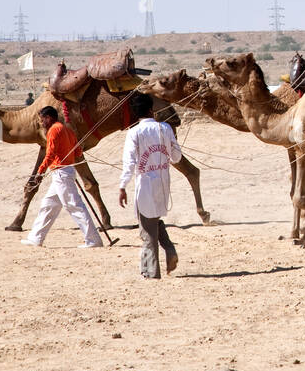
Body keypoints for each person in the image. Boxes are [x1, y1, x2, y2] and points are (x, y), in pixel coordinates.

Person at [118, 93, 183, 278]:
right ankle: (170, 249)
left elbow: (129, 163)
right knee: (152, 222)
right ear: (151, 110)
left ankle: (151, 272)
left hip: (145, 185)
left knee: (147, 231)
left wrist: (122, 186)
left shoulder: (134, 132)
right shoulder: (165, 128)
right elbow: (176, 157)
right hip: (163, 184)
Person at [21, 106, 103, 248]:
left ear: (49, 118)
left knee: (75, 206)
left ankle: (93, 239)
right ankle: (36, 238)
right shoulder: (68, 130)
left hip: (61, 173)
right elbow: (78, 152)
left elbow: (50, 154)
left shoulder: (53, 130)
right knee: (48, 205)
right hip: (64, 172)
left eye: (42, 120)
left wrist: (40, 172)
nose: (41, 123)